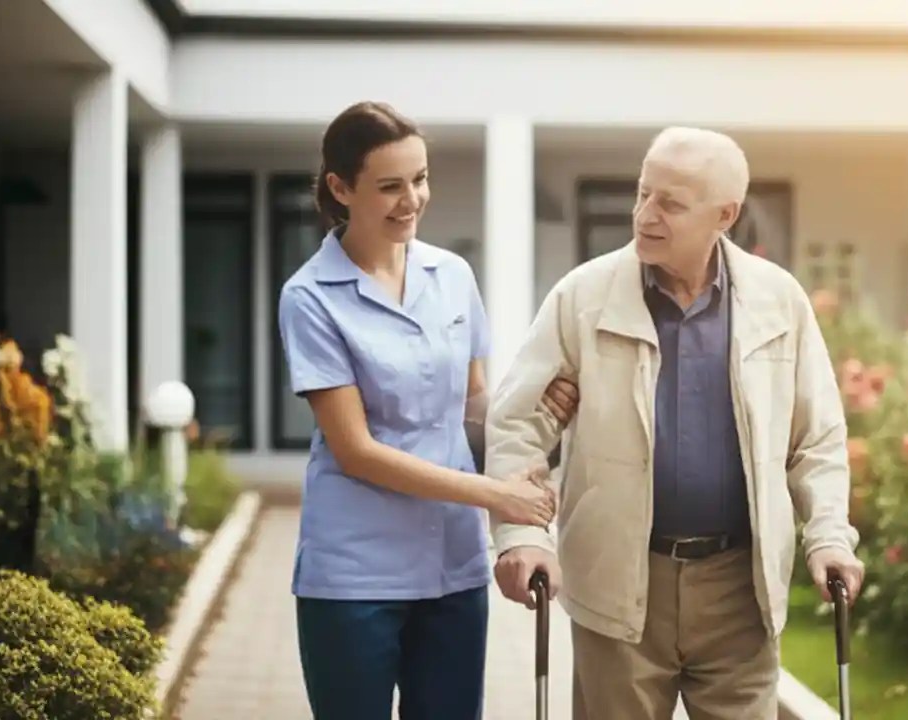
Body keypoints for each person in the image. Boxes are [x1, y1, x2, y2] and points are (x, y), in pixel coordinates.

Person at [484, 126, 865, 719]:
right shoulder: (583, 297)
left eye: (670, 203)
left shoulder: (777, 301)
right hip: (619, 585)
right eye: (642, 194)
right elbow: (517, 425)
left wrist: (830, 536)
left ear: (725, 215)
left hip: (740, 590)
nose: (644, 215)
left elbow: (816, 438)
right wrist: (523, 537)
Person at [277, 100, 578, 720]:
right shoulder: (309, 298)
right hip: (355, 577)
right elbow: (355, 451)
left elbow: (471, 409)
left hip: (452, 570)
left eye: (419, 179)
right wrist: (496, 495)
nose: (411, 199)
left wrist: (541, 418)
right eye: (389, 186)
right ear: (340, 188)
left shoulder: (451, 275)